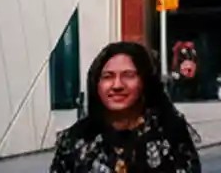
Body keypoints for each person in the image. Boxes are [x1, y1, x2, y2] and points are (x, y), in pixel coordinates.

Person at [49, 41, 201, 173]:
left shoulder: (170, 134)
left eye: (128, 75)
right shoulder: (76, 140)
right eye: (108, 77)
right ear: (96, 84)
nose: (117, 85)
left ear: (144, 82)